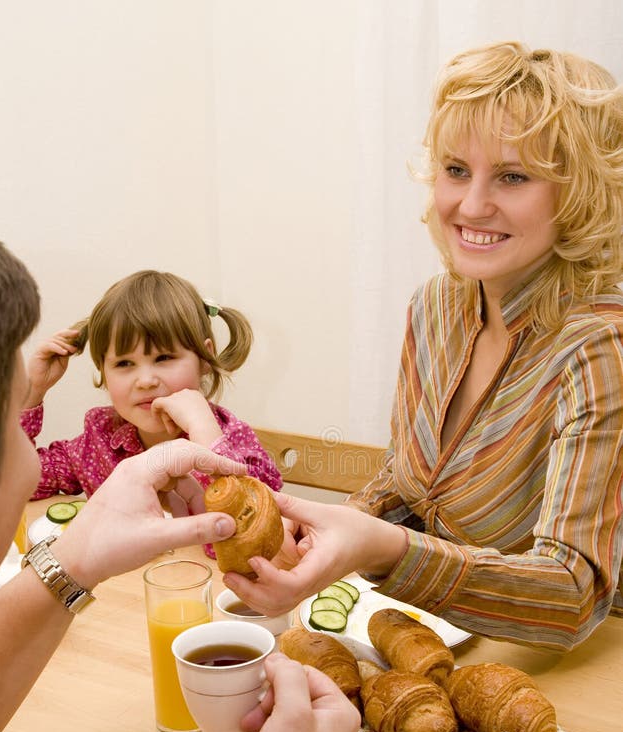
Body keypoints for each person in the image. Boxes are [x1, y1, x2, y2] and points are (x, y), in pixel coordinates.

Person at [0, 206, 359, 732]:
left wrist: (71, 566)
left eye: (164, 357)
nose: (146, 377)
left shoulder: (219, 439)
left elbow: (265, 499)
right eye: (6, 422)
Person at [225, 42, 623, 653]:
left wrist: (379, 547)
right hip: (434, 646)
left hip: (567, 675)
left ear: (580, 195)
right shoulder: (436, 307)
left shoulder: (598, 347)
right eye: (457, 169)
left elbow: (572, 596)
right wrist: (318, 535)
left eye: (513, 176)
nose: (469, 205)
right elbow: (407, 483)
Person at [21, 269, 282, 500]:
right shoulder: (98, 442)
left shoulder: (231, 438)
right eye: (124, 364)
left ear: (205, 359)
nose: (145, 381)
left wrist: (203, 432)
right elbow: (22, 481)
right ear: (104, 371)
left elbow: (257, 518)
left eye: (164, 358)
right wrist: (33, 391)